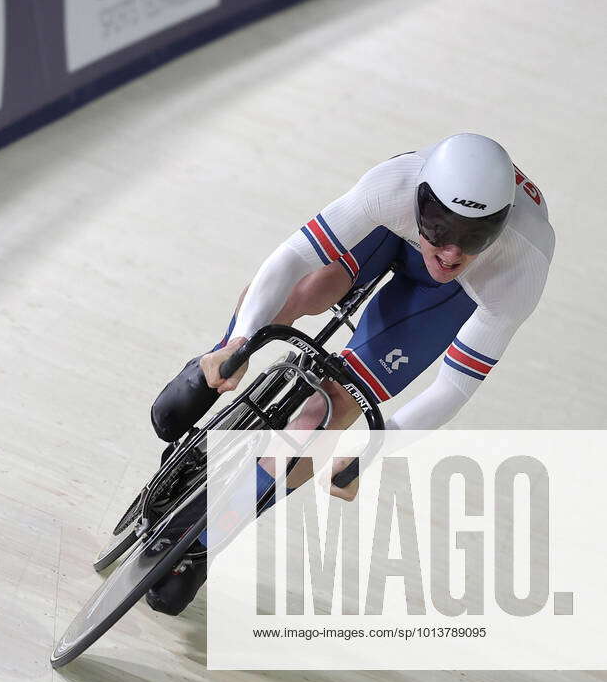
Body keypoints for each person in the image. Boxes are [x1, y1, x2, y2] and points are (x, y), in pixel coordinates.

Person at [147, 133, 555, 615]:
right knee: (303, 291)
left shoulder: (519, 265)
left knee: (332, 409)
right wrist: (237, 345)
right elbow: (291, 257)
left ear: (499, 229)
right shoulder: (393, 187)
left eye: (474, 237)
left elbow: (455, 385)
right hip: (392, 235)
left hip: (458, 292)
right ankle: (210, 367)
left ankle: (204, 543)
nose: (450, 253)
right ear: (422, 201)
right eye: (441, 229)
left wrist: (371, 451)